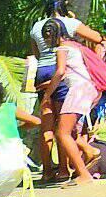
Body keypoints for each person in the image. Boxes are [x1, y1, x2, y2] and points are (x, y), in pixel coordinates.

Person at [39, 18, 98, 185]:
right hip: (86, 89)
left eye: (48, 36)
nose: (47, 40)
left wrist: (46, 95)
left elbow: (60, 73)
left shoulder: (62, 48)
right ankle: (90, 151)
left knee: (62, 133)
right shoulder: (74, 45)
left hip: (78, 90)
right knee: (69, 132)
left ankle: (83, 174)